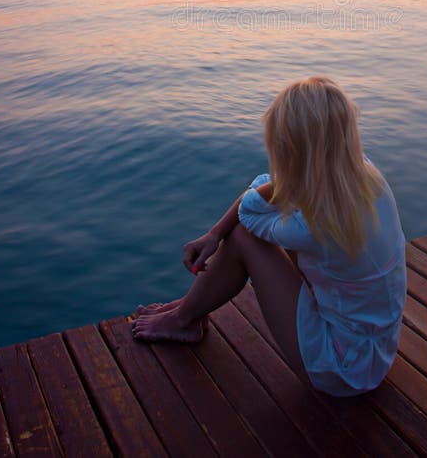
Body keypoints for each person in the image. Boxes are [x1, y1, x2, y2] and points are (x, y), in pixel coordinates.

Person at [132, 76, 407, 396]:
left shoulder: (313, 227)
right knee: (255, 223)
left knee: (244, 239)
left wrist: (220, 234)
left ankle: (184, 319)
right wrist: (213, 234)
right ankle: (192, 308)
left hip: (341, 369)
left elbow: (250, 211)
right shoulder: (362, 174)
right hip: (373, 351)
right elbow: (273, 187)